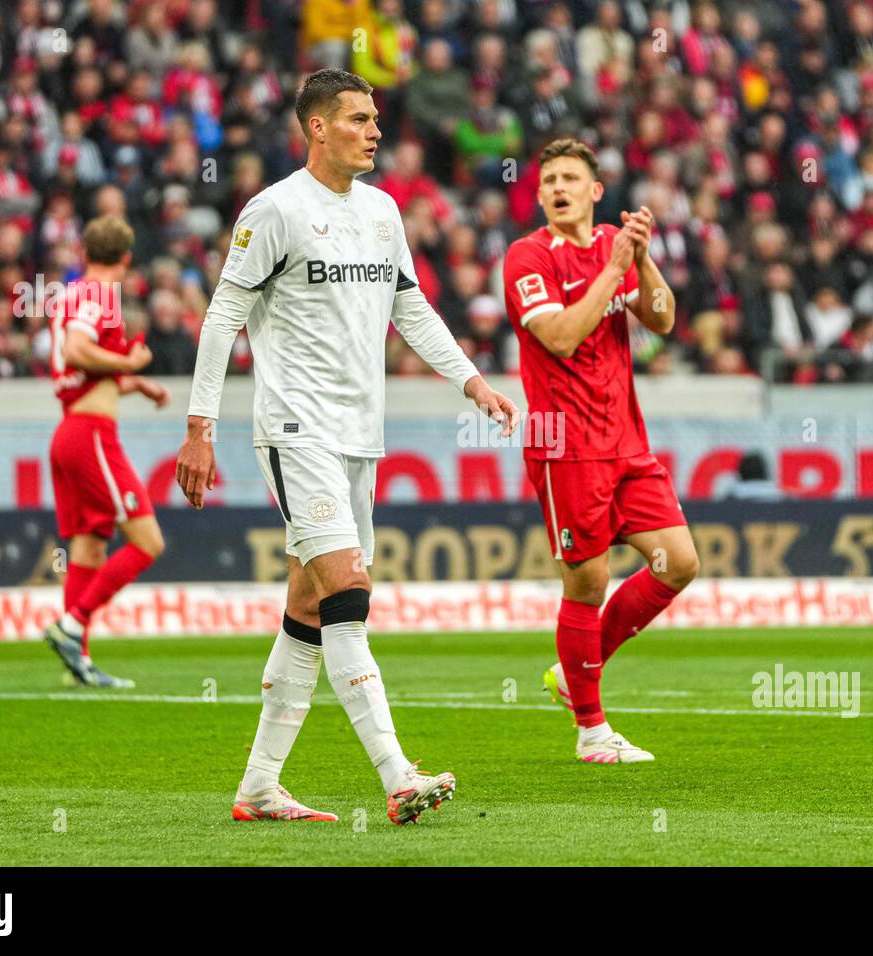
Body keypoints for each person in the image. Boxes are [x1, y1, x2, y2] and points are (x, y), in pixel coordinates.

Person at [175, 70, 519, 825]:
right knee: (349, 593)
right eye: (359, 120)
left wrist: (473, 383)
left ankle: (260, 785)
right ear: (317, 128)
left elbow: (413, 310)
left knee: (307, 604)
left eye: (375, 120)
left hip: (362, 434)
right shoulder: (276, 211)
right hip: (296, 430)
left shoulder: (383, 212)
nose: (375, 132)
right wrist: (200, 427)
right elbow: (221, 316)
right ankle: (397, 774)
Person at [502, 138, 700, 764]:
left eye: (570, 178)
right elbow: (559, 337)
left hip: (627, 441)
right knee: (587, 582)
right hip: (565, 444)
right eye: (548, 179)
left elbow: (663, 320)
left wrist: (641, 261)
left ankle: (572, 672)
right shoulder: (526, 257)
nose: (557, 186)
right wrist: (615, 269)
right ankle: (592, 731)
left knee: (679, 562)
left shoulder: (616, 244)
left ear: (595, 190)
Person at [43, 215, 169, 689]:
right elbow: (78, 350)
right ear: (127, 258)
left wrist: (135, 383)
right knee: (148, 541)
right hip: (92, 434)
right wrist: (130, 361)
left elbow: (81, 366)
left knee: (90, 544)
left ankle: (79, 660)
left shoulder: (70, 295)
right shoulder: (100, 295)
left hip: (70, 430)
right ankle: (72, 626)